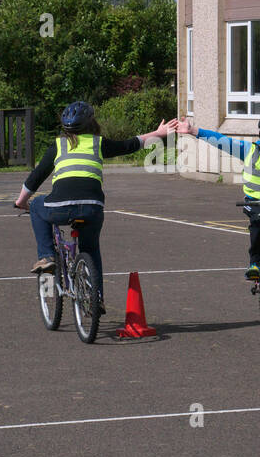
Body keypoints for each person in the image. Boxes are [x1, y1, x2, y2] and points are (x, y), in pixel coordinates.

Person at [15, 102, 175, 311]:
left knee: (36, 204)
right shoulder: (99, 143)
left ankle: (46, 256)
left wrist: (20, 203)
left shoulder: (58, 145)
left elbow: (34, 180)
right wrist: (159, 132)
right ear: (92, 124)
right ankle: (96, 298)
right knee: (91, 249)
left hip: (60, 206)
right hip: (92, 207)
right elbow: (131, 144)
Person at [176, 113, 260, 304]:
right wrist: (193, 131)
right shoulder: (249, 150)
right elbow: (221, 140)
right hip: (256, 202)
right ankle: (256, 264)